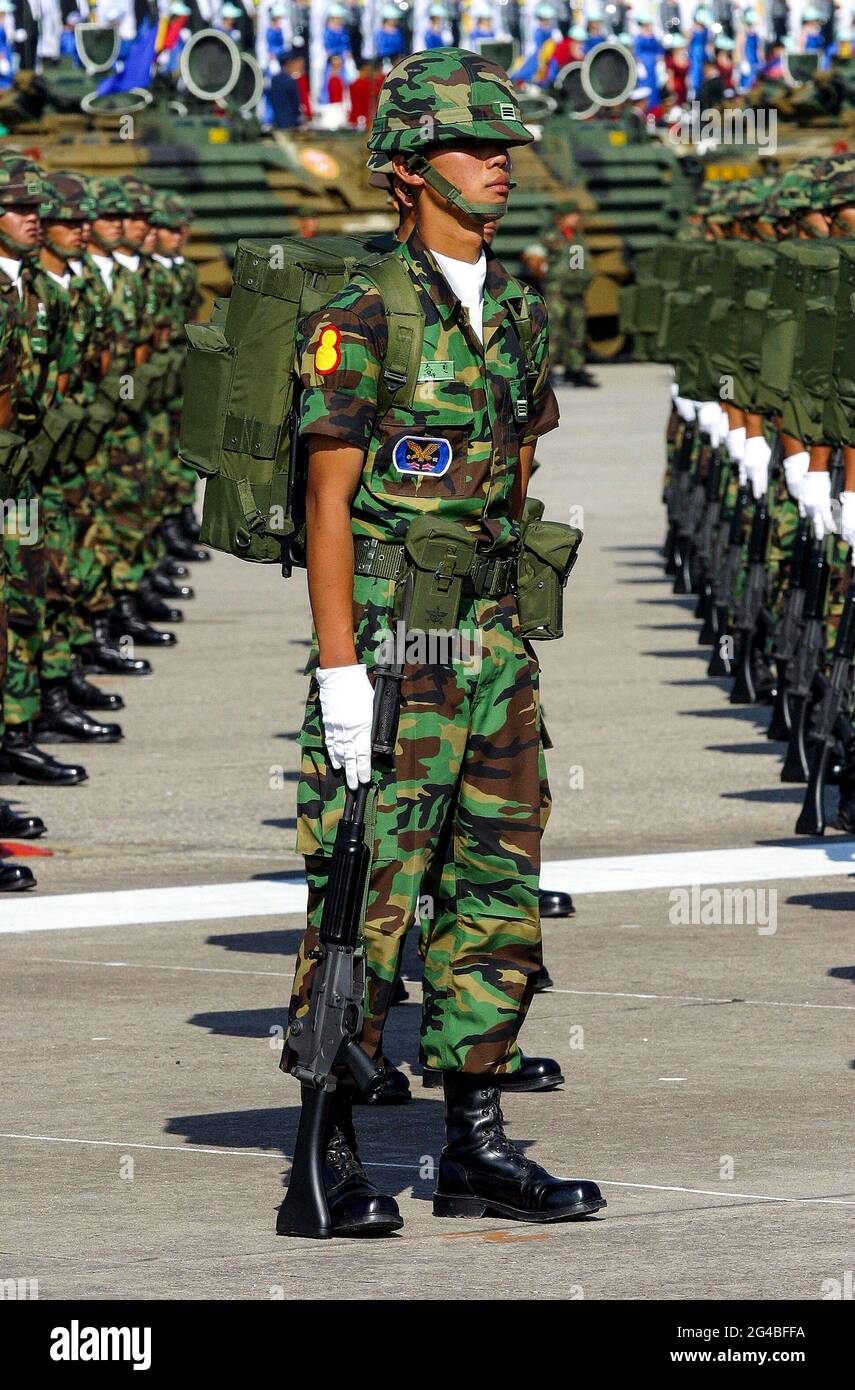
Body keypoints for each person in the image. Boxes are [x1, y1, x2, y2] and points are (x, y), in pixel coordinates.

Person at [278, 47, 605, 1235]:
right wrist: (339, 672)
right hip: (393, 655)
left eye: (507, 146)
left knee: (495, 897)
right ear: (410, 170)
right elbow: (327, 505)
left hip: (490, 650)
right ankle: (335, 1150)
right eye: (475, 147)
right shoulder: (362, 313)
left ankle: (473, 1143)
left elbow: (517, 471)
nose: (500, 165)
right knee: (366, 896)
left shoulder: (515, 309)